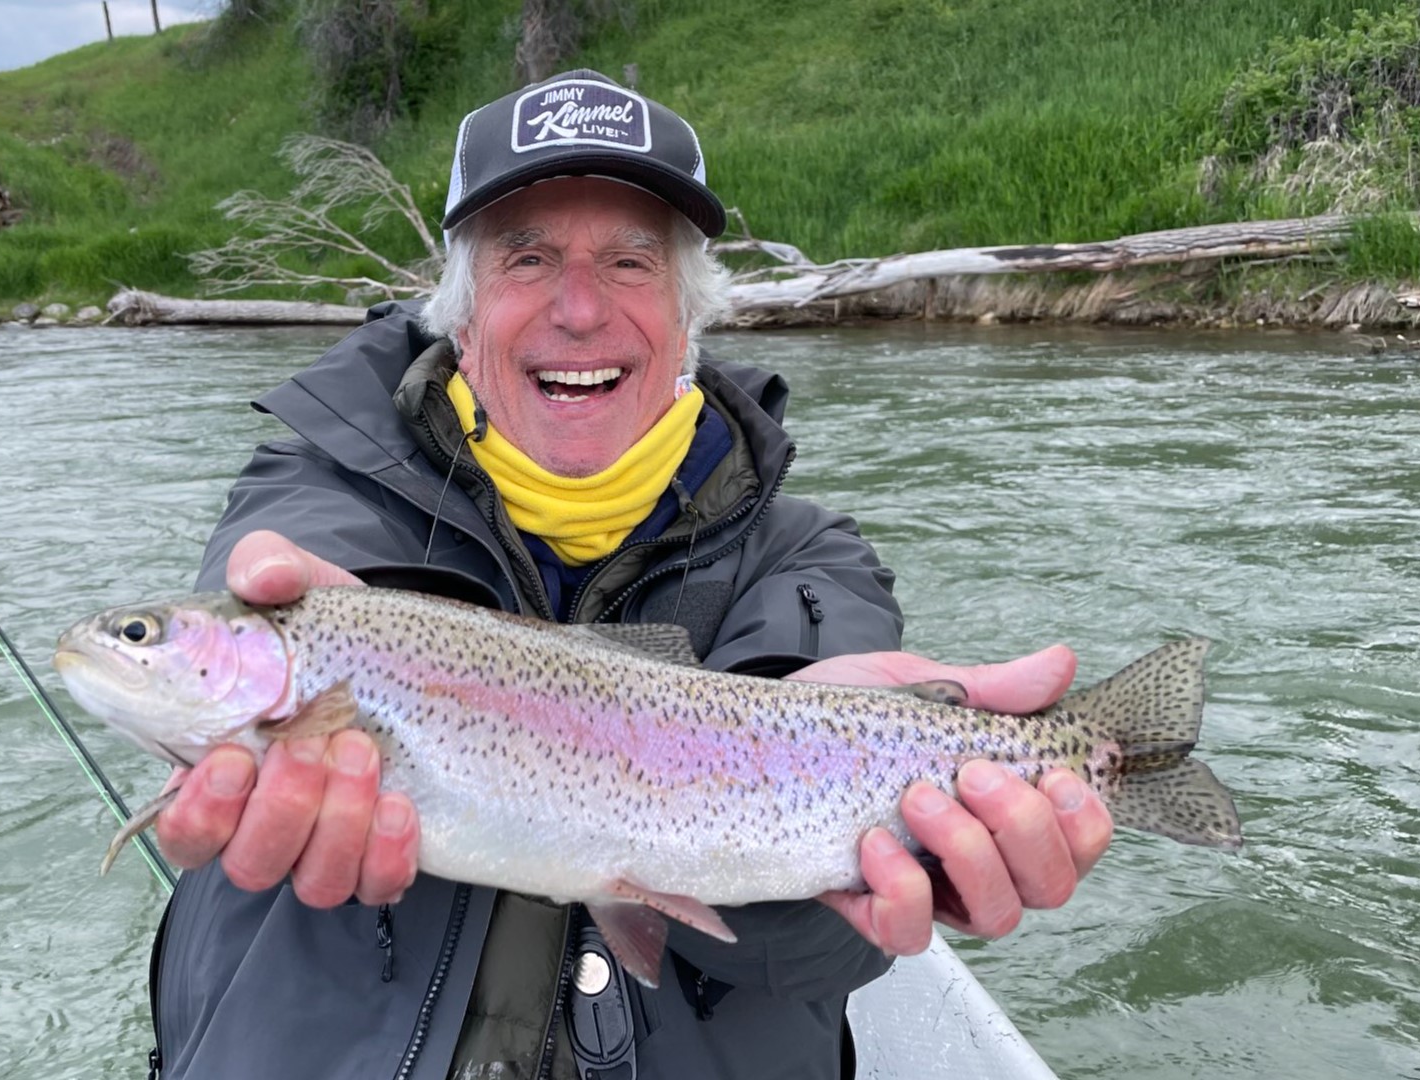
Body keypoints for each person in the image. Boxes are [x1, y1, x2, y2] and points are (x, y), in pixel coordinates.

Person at [140, 69, 1112, 1079]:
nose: (577, 308)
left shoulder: (814, 558)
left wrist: (903, 858)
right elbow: (264, 598)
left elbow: (815, 950)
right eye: (527, 258)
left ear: (689, 318)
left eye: (629, 262)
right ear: (461, 319)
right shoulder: (315, 485)